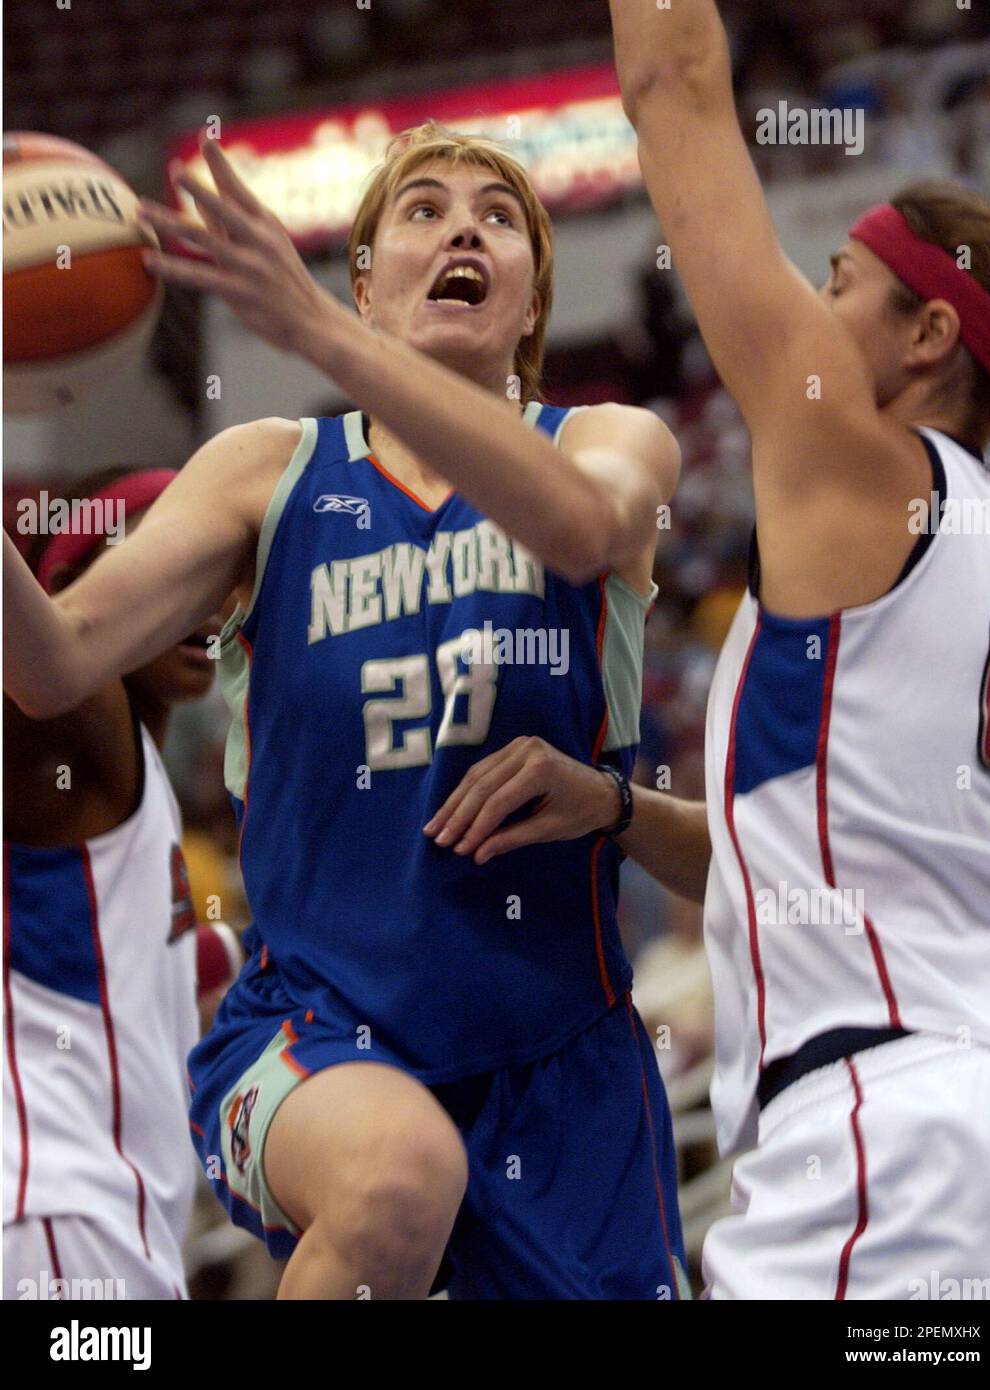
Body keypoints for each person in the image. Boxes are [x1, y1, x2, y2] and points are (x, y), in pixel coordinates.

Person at [5, 124, 686, 1299]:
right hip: (311, 1041)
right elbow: (54, 664)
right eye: (421, 210)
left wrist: (316, 328)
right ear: (365, 284)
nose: (462, 225)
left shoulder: (610, 442)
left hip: (568, 1077)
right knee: (395, 1175)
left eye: (497, 215)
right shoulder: (267, 470)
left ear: (531, 305)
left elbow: (576, 524)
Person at [422, 1, 990, 1300]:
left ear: (929, 336)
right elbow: (845, 855)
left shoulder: (855, 469)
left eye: (840, 287)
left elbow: (677, 86)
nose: (809, 305)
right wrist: (614, 808)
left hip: (888, 1129)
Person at [3, 469, 237, 1301]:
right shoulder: (76, 716)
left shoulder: (131, 787)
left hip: (103, 1232)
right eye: (160, 558)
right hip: (61, 1222)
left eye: (215, 566)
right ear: (66, 592)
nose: (202, 598)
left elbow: (165, 964)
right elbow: (36, 657)